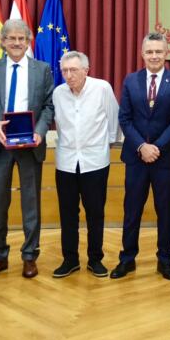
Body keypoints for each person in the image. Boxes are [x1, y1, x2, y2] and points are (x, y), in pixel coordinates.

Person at [0, 19, 55, 279]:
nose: (17, 43)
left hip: (30, 145)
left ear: (28, 41)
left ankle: (30, 255)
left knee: (30, 203)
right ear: (3, 42)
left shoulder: (42, 69)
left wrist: (40, 132)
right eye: (12, 38)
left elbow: (48, 106)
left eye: (22, 38)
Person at [110, 32, 170, 280]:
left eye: (158, 51)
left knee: (165, 211)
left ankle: (165, 260)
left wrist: (156, 147)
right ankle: (127, 259)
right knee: (131, 210)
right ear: (142, 54)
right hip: (136, 158)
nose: (154, 56)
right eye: (150, 51)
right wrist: (142, 147)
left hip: (165, 160)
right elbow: (124, 118)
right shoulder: (130, 81)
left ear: (167, 54)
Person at [51, 51, 119, 279]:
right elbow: (59, 125)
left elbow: (113, 120)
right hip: (66, 163)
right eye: (65, 71)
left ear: (86, 71)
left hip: (95, 162)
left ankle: (95, 259)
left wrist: (104, 145)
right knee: (68, 214)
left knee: (95, 213)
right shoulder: (58, 93)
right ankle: (70, 260)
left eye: (73, 70)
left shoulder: (102, 88)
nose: (68, 76)